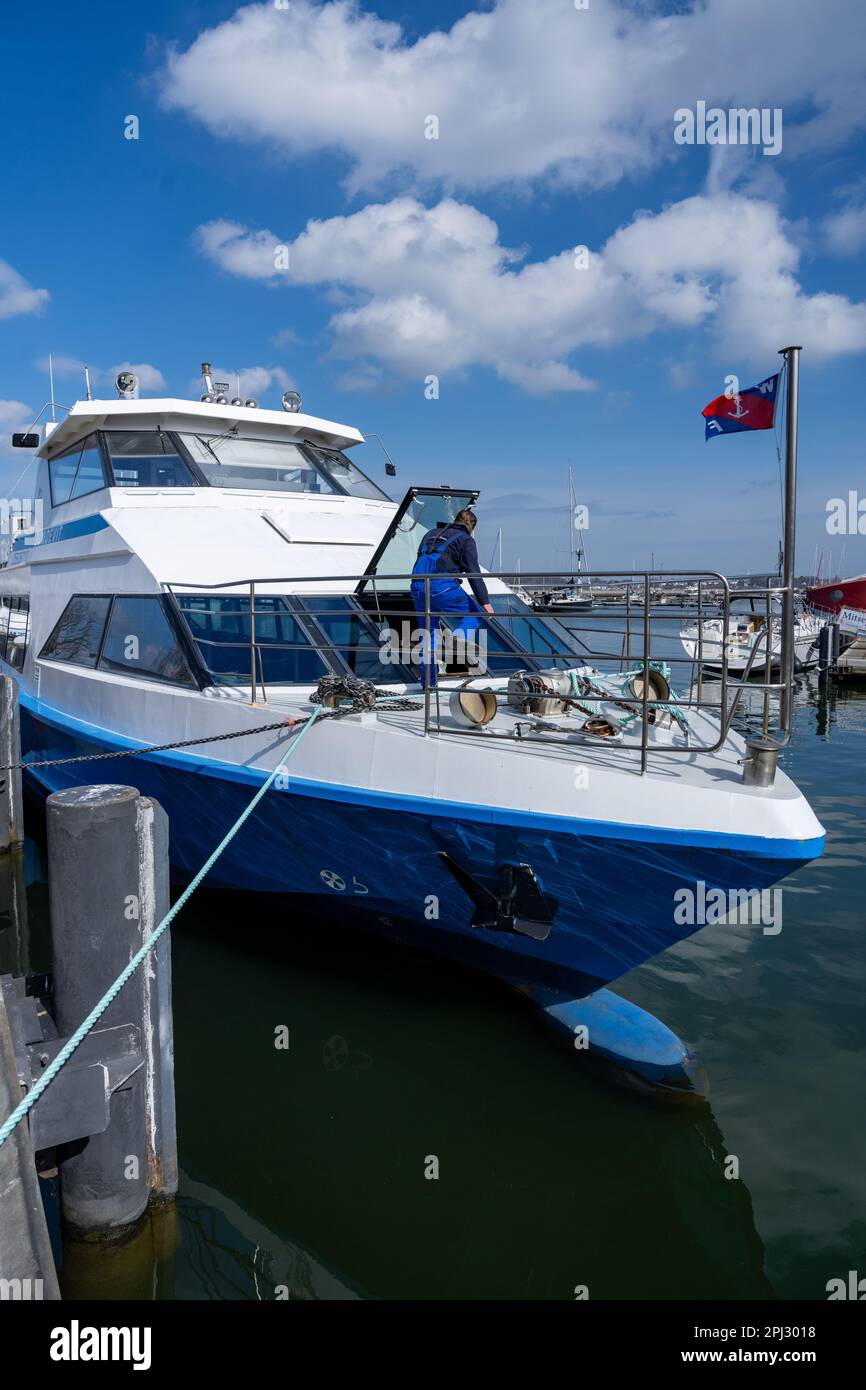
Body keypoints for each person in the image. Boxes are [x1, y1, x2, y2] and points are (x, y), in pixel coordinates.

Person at [410, 507, 494, 687]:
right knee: (474, 616)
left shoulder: (431, 533)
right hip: (441, 586)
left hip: (417, 585)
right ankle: (457, 639)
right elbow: (473, 572)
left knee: (428, 635)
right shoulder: (466, 540)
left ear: (455, 520)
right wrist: (485, 602)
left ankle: (428, 684)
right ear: (472, 528)